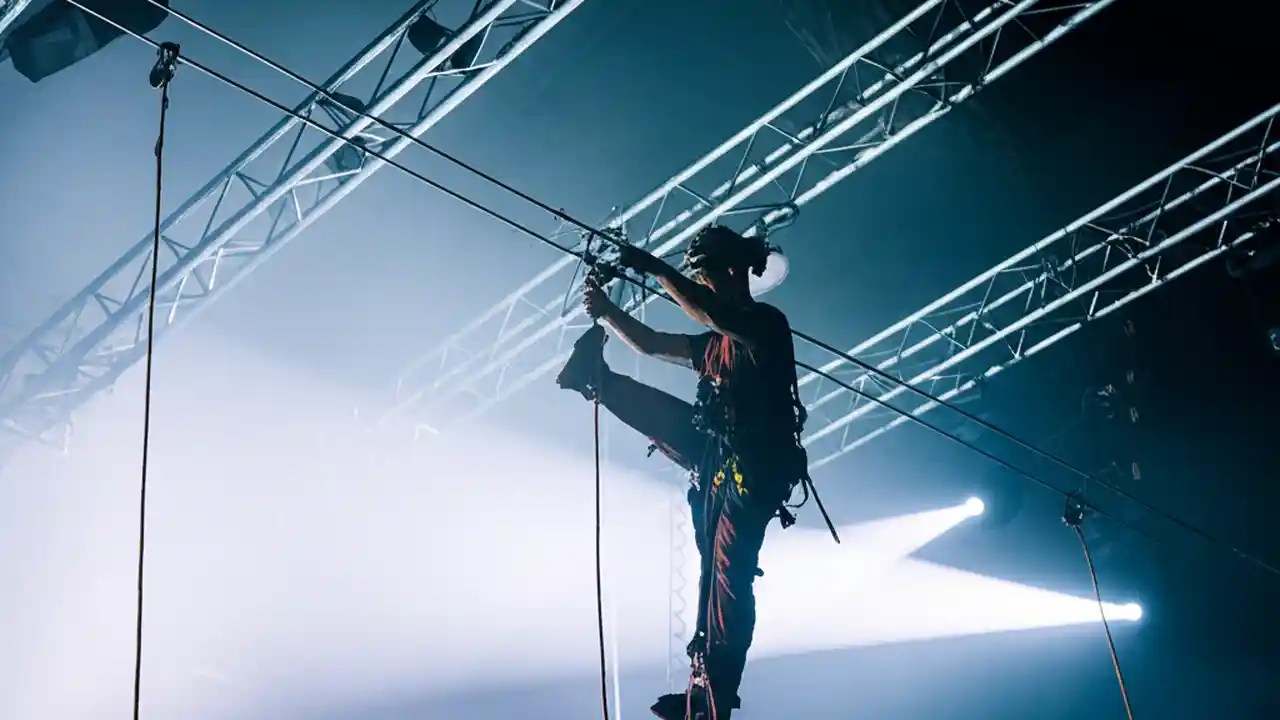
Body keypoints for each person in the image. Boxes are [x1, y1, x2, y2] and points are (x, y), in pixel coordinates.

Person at [556, 225, 814, 720]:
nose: (701, 284)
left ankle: (716, 691)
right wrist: (607, 314)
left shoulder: (764, 325)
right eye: (698, 277)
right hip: (716, 459)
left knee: (728, 574)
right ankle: (597, 379)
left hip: (754, 469)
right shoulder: (713, 343)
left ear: (734, 271)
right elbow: (652, 344)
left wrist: (653, 268)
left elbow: (712, 311)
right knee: (710, 569)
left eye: (707, 275)